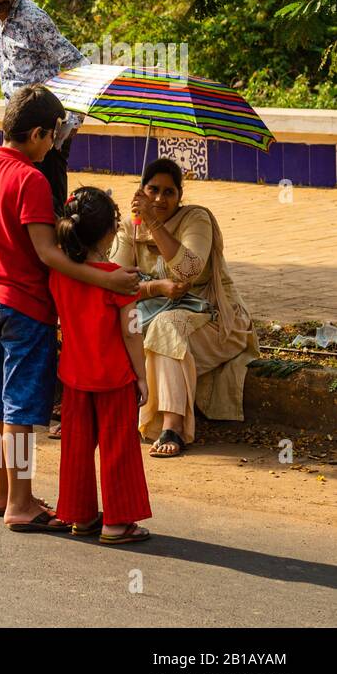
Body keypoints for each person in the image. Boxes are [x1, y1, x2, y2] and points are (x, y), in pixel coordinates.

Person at [0, 85, 138, 533]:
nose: (54, 145)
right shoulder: (31, 179)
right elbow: (47, 253)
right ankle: (22, 503)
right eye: (53, 136)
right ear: (38, 132)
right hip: (23, 306)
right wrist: (107, 278)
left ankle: (3, 492)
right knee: (19, 407)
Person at [112, 158, 258, 458]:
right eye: (153, 190)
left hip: (216, 321)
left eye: (169, 192)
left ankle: (173, 426)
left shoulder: (196, 220)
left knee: (166, 326)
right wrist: (154, 288)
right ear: (142, 190)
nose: (159, 199)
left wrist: (154, 222)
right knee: (116, 321)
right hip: (159, 315)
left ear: (180, 196)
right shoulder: (130, 226)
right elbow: (114, 284)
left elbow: (189, 269)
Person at [50, 186, 152, 545]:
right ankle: (118, 523)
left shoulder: (59, 273)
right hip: (114, 376)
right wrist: (142, 377)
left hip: (75, 375)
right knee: (118, 447)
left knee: (76, 447)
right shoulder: (120, 279)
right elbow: (132, 331)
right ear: (110, 232)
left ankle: (79, 517)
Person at [0, 0, 87, 214]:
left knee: (49, 205)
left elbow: (79, 65)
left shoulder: (33, 18)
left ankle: (57, 252)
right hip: (19, 128)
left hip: (46, 130)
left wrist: (72, 123)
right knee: (22, 201)